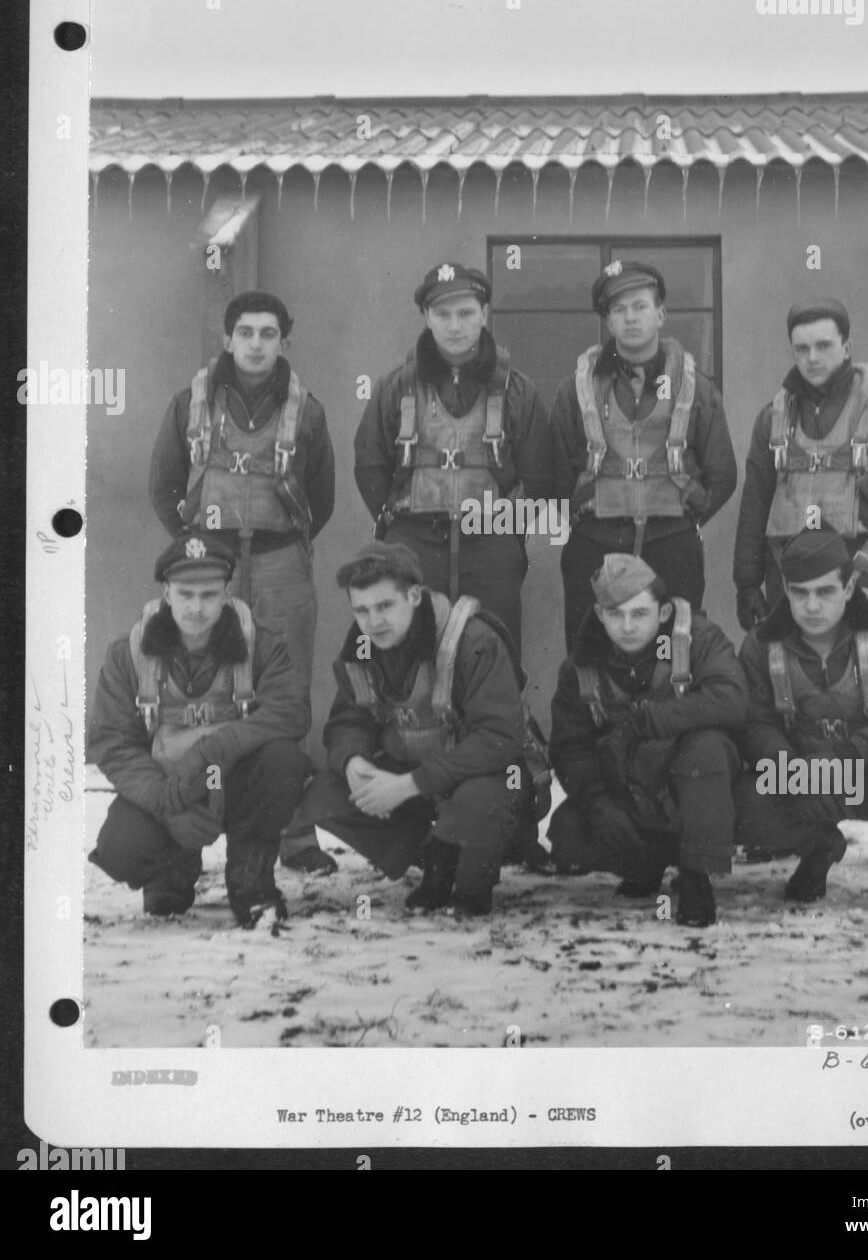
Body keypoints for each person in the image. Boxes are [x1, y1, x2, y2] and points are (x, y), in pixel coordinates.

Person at [149, 289, 336, 874]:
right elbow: (164, 486)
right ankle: (190, 824)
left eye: (269, 334)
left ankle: (296, 835)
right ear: (228, 339)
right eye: (246, 332)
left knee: (287, 690)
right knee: (206, 691)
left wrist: (280, 544)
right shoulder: (189, 404)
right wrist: (198, 553)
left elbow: (322, 497)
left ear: (284, 341)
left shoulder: (307, 410)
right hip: (213, 563)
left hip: (281, 563)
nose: (257, 343)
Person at [290, 542, 531, 916]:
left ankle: (469, 875)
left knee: (482, 802)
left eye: (385, 606)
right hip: (416, 772)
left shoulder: (472, 640)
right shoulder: (363, 647)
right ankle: (434, 852)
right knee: (325, 795)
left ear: (414, 596)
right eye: (362, 610)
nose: (374, 622)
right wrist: (354, 763)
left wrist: (408, 785)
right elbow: (347, 721)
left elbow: (500, 738)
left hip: (489, 773)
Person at [87, 532, 311, 928]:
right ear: (166, 593)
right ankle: (172, 870)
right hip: (169, 786)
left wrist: (215, 748)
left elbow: (290, 711)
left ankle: (251, 882)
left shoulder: (261, 643)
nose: (196, 607)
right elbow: (111, 742)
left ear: (227, 593)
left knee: (283, 760)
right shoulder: (129, 652)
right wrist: (165, 805)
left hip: (237, 782)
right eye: (185, 593)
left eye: (208, 595)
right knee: (121, 849)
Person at [733, 528, 868, 916]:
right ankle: (819, 847)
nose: (812, 606)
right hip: (805, 779)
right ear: (785, 588)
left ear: (850, 586)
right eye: (799, 592)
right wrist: (790, 766)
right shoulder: (759, 643)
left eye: (825, 591)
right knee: (740, 797)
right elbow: (752, 722)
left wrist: (856, 750)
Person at [353, 262, 551, 658]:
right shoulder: (396, 387)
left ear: (484, 314)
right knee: (412, 650)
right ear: (427, 317)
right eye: (442, 314)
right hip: (414, 540)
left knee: (496, 650)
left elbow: (540, 475)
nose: (454, 326)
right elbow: (370, 464)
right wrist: (404, 526)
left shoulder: (516, 390)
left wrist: (503, 532)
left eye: (465, 313)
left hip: (491, 541)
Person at [547, 554, 747, 928]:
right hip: (634, 786)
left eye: (639, 614)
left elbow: (731, 698)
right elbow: (569, 745)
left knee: (705, 750)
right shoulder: (581, 664)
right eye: (614, 614)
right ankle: (650, 859)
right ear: (599, 613)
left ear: (665, 611)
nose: (626, 626)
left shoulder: (696, 639)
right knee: (569, 836)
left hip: (697, 782)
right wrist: (597, 801)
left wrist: (646, 720)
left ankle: (696, 874)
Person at [550, 260, 737, 651]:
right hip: (595, 539)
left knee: (674, 649)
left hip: (671, 541)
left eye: (639, 306)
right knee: (590, 651)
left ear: (661, 314)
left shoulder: (695, 389)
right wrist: (590, 516)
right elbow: (556, 471)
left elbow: (722, 473)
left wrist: (682, 517)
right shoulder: (576, 390)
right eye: (618, 310)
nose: (630, 318)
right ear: (608, 322)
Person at [733, 296, 868, 633]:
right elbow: (755, 504)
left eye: (823, 345)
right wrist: (748, 584)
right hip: (790, 584)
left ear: (847, 347)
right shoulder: (772, 419)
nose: (812, 358)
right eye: (802, 348)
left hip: (863, 575)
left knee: (867, 675)